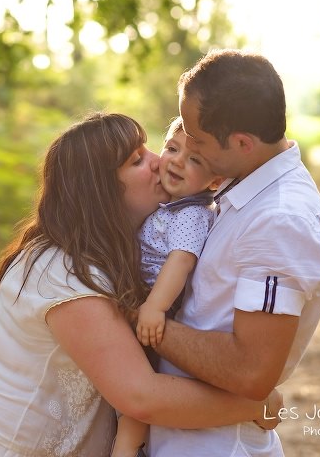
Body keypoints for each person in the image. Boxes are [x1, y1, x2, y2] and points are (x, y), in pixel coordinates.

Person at [0, 112, 283, 457]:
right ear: (101, 189)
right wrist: (257, 405)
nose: (158, 161)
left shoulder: (121, 247)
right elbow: (140, 395)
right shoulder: (65, 270)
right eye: (136, 160)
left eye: (149, 150)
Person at [149, 49, 320, 456]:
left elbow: (251, 371)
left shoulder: (279, 220)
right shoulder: (241, 184)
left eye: (196, 140)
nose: (187, 144)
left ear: (242, 143)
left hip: (215, 445)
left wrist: (136, 317)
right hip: (181, 432)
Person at [113, 116, 222, 457]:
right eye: (172, 149)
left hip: (157, 304)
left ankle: (127, 448)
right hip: (147, 299)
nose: (176, 161)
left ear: (215, 180)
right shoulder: (171, 207)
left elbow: (181, 261)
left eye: (195, 159)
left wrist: (154, 307)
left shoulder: (192, 213)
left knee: (137, 383)